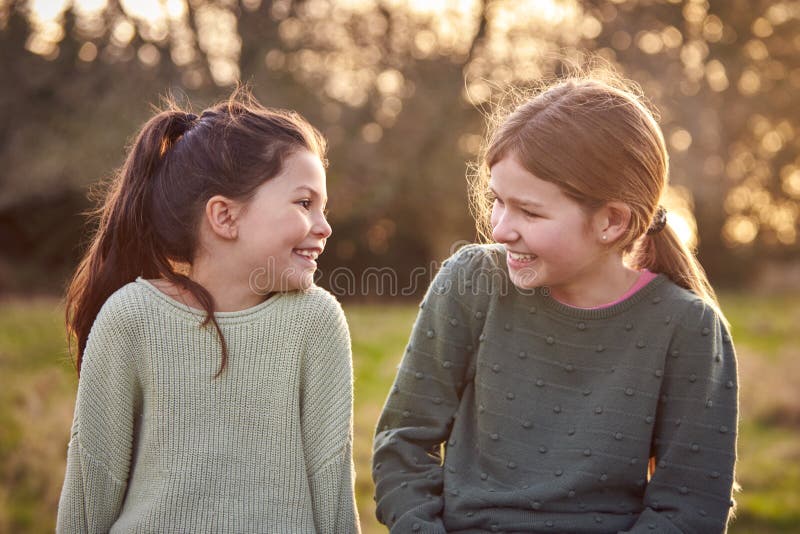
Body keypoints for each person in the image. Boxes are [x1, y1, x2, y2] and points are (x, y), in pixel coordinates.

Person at [372, 74, 738, 533]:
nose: (501, 228)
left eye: (529, 211)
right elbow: (402, 443)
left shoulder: (688, 328)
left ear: (612, 221)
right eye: (496, 201)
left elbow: (690, 509)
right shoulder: (472, 282)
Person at [57, 90, 360, 533]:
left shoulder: (316, 322)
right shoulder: (130, 319)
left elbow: (333, 491)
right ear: (225, 217)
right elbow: (90, 492)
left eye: (323, 208)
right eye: (304, 203)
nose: (325, 226)